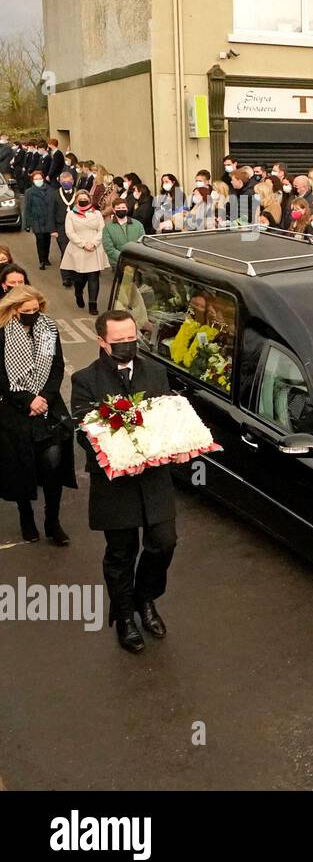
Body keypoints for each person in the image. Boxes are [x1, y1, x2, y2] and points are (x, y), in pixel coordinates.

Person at [71, 311, 179, 654]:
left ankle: (145, 599)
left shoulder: (156, 372)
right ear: (102, 341)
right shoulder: (85, 379)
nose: (127, 345)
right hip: (115, 483)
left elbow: (168, 418)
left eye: (131, 337)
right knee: (121, 552)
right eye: (119, 341)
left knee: (164, 542)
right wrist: (121, 452)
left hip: (153, 479)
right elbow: (86, 432)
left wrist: (177, 445)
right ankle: (125, 616)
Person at [0, 285, 75, 545]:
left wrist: (44, 397)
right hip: (15, 409)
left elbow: (56, 366)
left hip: (48, 407)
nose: (32, 314)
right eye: (26, 311)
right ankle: (26, 517)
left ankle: (52, 521)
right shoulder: (3, 333)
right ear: (14, 309)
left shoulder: (47, 329)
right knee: (22, 468)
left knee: (53, 464)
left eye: (35, 309)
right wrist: (28, 400)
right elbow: (1, 378)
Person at [61, 189, 109, 314]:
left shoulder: (97, 213)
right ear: (76, 200)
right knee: (80, 278)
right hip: (78, 249)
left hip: (94, 248)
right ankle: (78, 293)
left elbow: (102, 230)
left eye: (85, 199)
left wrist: (93, 243)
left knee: (94, 277)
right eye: (80, 199)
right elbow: (69, 232)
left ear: (89, 200)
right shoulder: (71, 214)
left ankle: (93, 304)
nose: (83, 201)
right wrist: (83, 244)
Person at [22, 168, 56, 271]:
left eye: (40, 178)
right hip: (36, 220)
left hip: (48, 219)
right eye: (36, 179)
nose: (38, 180)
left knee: (47, 240)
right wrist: (27, 224)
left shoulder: (50, 190)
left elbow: (54, 205)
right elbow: (27, 209)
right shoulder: (29, 192)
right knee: (40, 240)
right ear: (33, 180)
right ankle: (42, 260)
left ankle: (46, 257)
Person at [103, 198, 145, 267]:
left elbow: (142, 242)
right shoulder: (108, 227)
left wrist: (135, 258)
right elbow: (109, 248)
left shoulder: (138, 224)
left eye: (123, 207)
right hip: (117, 264)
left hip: (136, 263)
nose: (121, 209)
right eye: (118, 208)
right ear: (113, 210)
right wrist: (124, 258)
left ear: (127, 209)